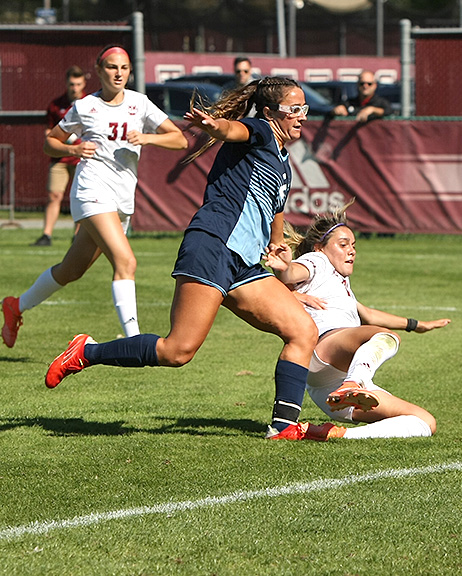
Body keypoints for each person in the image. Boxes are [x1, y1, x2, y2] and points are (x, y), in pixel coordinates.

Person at [42, 76, 322, 441]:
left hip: (245, 263)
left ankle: (284, 427)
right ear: (270, 113)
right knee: (177, 351)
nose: (302, 116)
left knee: (303, 330)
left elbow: (277, 206)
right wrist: (216, 127)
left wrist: (275, 242)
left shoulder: (283, 162)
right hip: (213, 246)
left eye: (305, 109)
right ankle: (86, 351)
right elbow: (233, 130)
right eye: (294, 109)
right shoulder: (260, 130)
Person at [2, 45, 187, 349]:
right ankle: (135, 343)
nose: (118, 73)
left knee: (71, 270)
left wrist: (148, 137)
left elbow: (179, 139)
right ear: (99, 71)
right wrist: (73, 150)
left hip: (122, 196)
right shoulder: (85, 106)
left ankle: (15, 306)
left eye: (124, 68)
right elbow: (50, 143)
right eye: (112, 67)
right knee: (126, 261)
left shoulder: (140, 104)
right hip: (91, 190)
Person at [265, 202, 450, 440]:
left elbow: (369, 314)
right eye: (343, 245)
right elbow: (293, 273)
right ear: (320, 248)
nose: (351, 250)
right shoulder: (318, 261)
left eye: (353, 245)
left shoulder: (340, 284)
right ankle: (354, 383)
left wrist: (417, 325)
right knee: (385, 337)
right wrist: (285, 269)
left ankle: (336, 434)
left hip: (326, 387)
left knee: (424, 422)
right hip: (324, 347)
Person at [32, 65, 87, 247]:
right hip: (60, 158)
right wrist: (60, 143)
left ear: (83, 84)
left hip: (83, 158)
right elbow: (49, 133)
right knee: (54, 195)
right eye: (72, 84)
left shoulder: (90, 103)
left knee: (81, 197)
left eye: (78, 84)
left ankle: (77, 236)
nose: (75, 88)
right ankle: (46, 235)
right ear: (66, 84)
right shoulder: (56, 105)